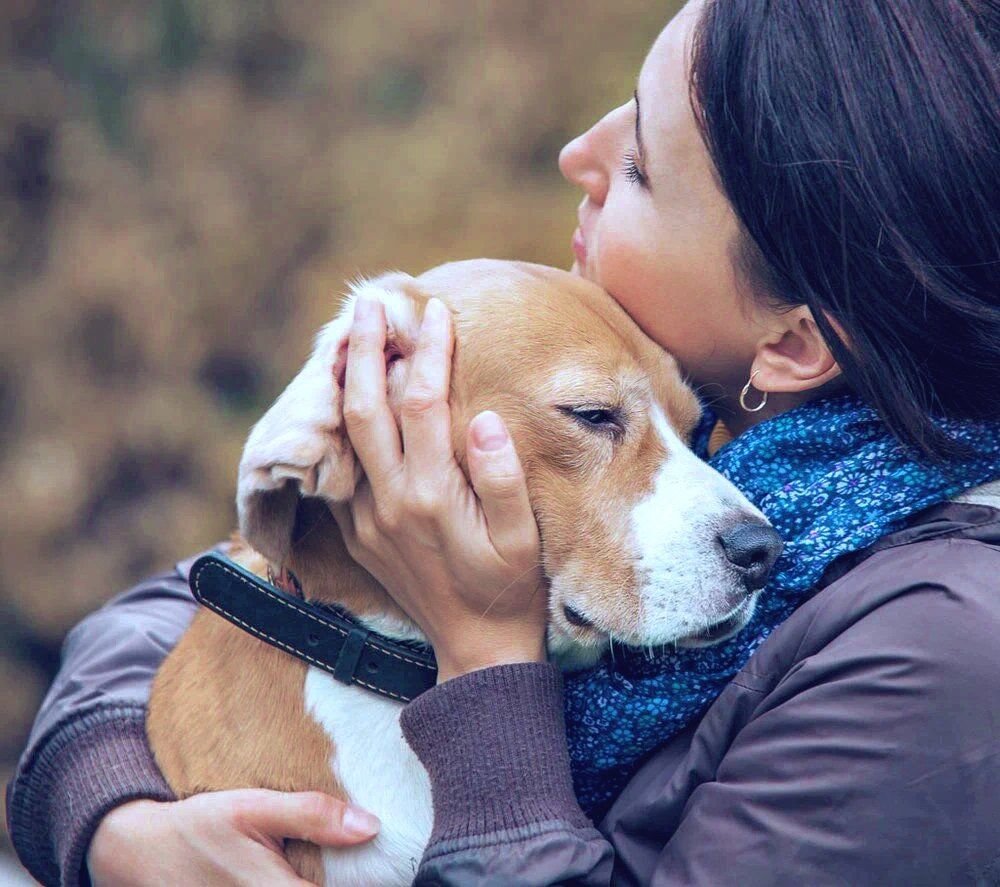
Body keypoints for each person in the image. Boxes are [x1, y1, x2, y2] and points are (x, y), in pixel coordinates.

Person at [8, 0, 1000, 884]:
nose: (579, 149)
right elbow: (211, 595)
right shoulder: (705, 412)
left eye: (642, 166)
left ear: (791, 340)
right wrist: (117, 818)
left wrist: (483, 652)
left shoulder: (940, 651)